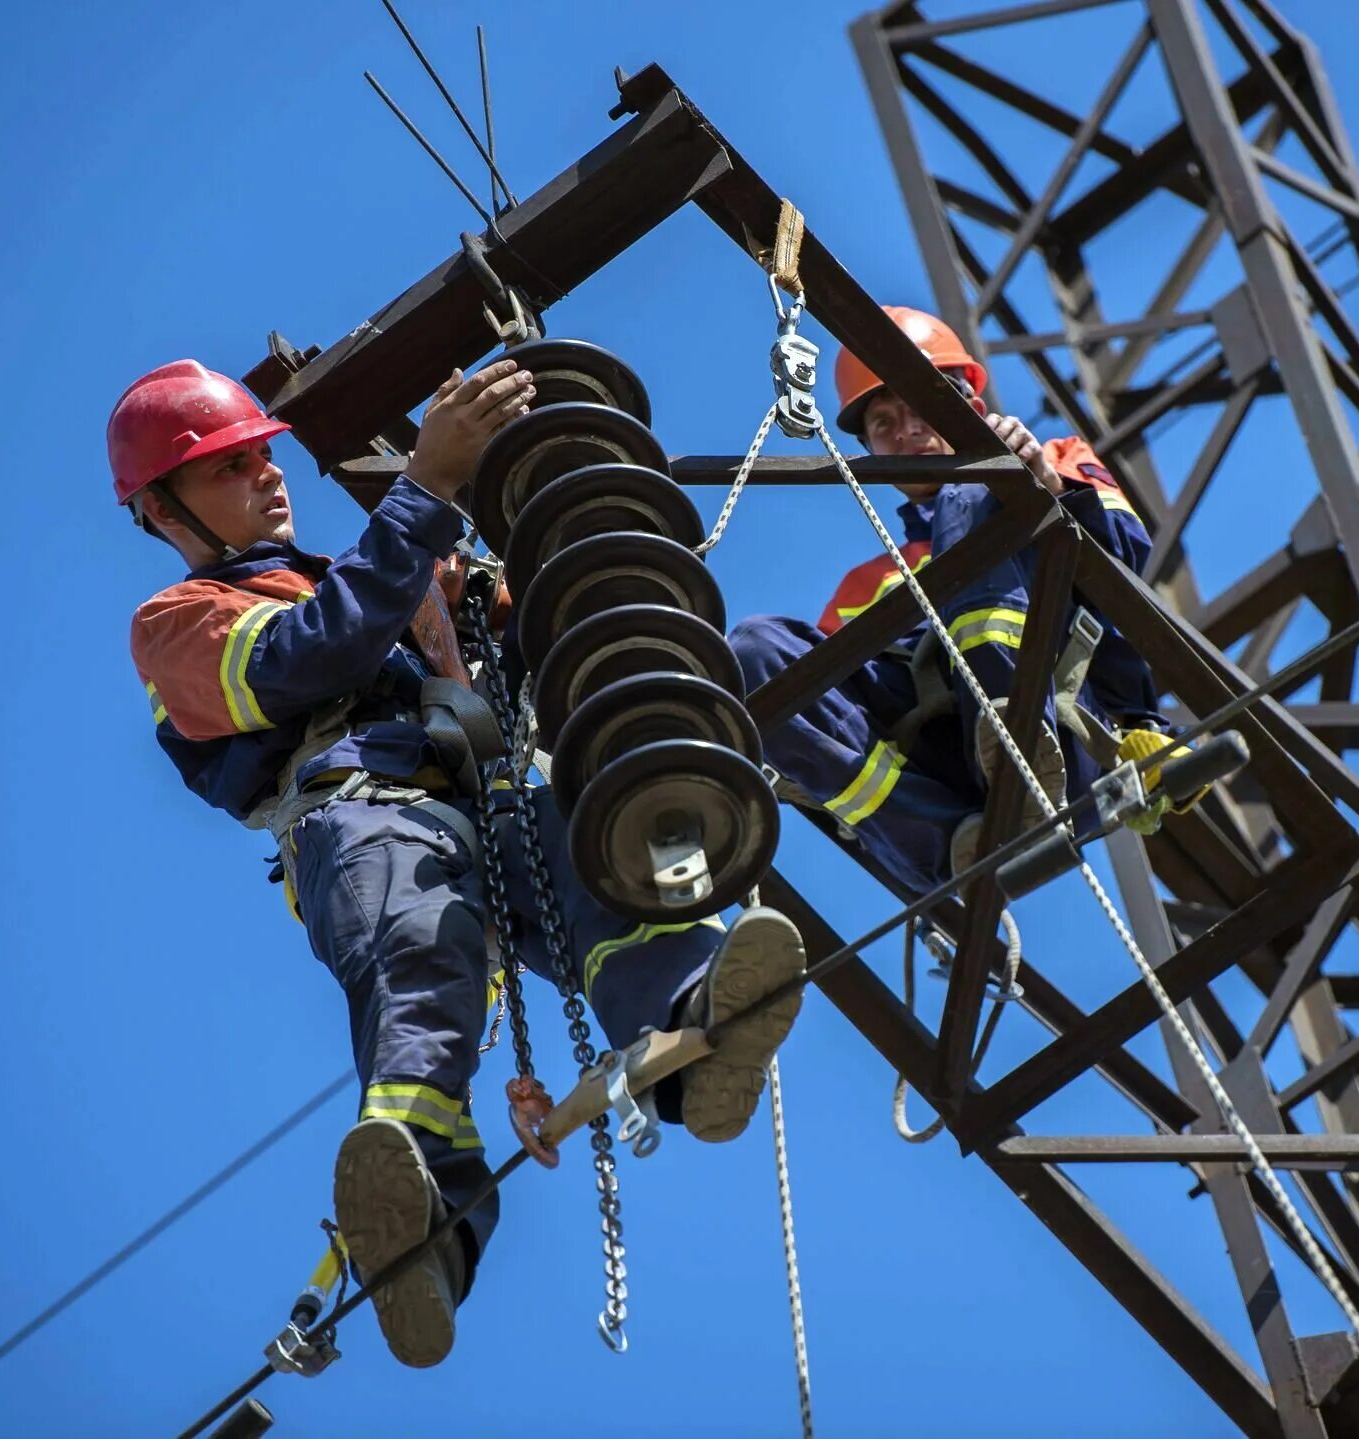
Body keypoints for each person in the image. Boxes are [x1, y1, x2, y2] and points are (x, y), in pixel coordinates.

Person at [113, 358, 805, 1369]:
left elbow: (524, 658)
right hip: (371, 819)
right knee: (423, 950)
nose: (267, 474)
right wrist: (426, 491)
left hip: (487, 812)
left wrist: (570, 543)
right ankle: (424, 1222)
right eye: (229, 467)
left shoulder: (397, 588)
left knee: (592, 840)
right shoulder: (181, 622)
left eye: (263, 454)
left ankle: (692, 1027)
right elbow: (310, 655)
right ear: (166, 512)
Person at [729, 306, 1180, 896]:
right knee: (755, 651)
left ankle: (1012, 733)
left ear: (970, 404)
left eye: (918, 406)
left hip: (1061, 732)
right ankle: (944, 841)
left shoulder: (1055, 459)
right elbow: (836, 722)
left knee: (973, 485)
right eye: (883, 422)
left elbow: (1125, 560)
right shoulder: (862, 590)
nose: (906, 430)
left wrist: (1041, 491)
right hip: (948, 804)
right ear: (868, 450)